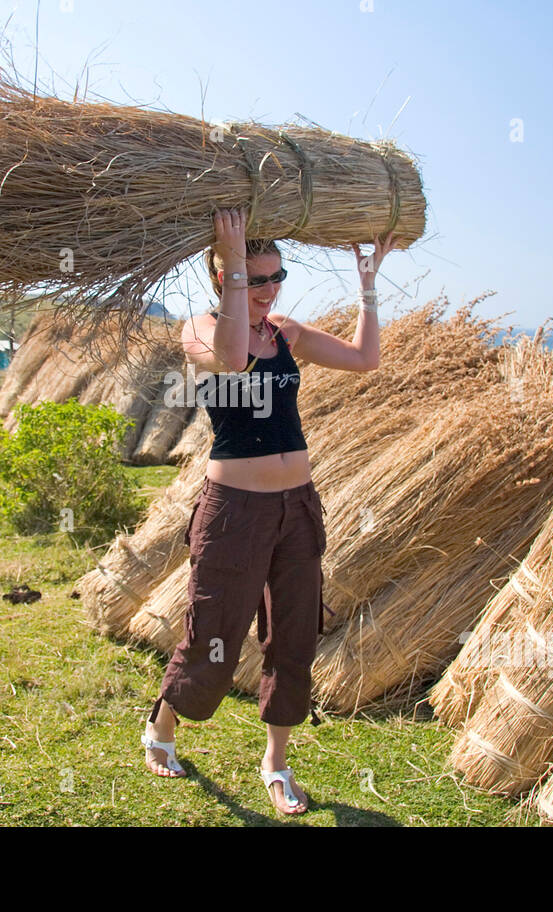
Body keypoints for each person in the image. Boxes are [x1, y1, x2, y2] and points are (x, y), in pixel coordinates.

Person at [140, 207, 398, 815]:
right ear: (225, 276)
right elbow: (231, 361)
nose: (270, 290)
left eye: (276, 276)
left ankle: (276, 762)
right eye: (257, 279)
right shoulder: (199, 332)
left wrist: (367, 289)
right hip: (234, 510)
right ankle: (163, 726)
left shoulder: (285, 332)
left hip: (296, 507)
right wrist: (234, 276)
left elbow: (365, 359)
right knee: (215, 630)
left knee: (294, 632)